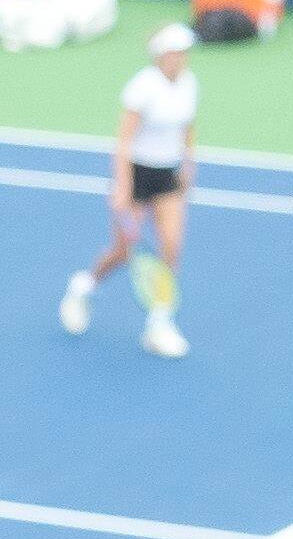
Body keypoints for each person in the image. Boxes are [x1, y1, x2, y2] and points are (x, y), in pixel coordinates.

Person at [63, 19, 199, 357]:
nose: (181, 59)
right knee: (124, 250)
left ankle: (159, 324)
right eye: (176, 53)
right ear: (161, 56)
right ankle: (83, 287)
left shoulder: (190, 84)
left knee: (171, 249)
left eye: (185, 53)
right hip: (137, 174)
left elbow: (188, 130)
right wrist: (122, 185)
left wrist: (188, 165)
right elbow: (124, 141)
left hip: (168, 176)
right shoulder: (142, 87)